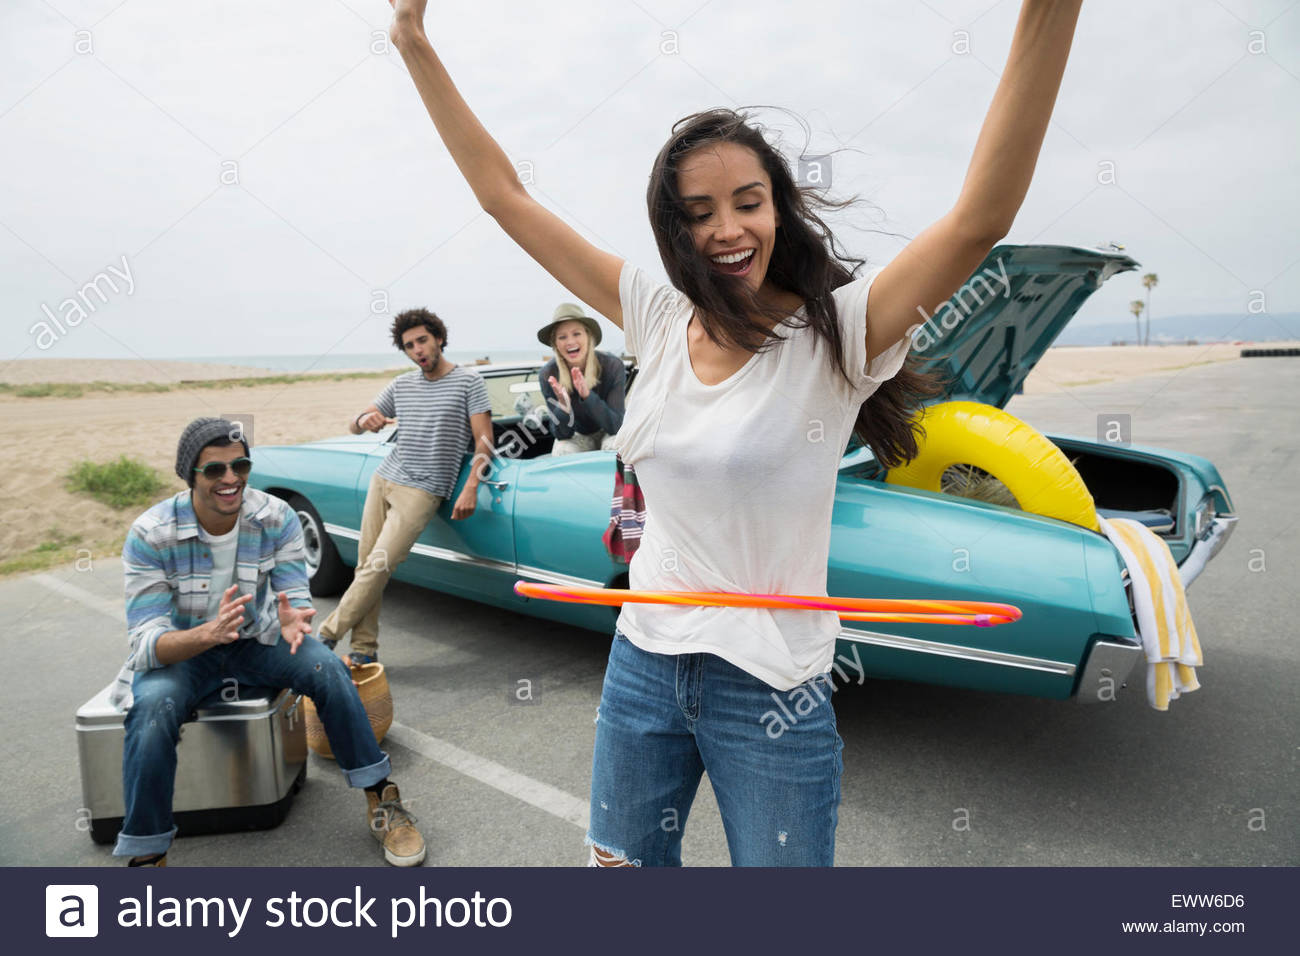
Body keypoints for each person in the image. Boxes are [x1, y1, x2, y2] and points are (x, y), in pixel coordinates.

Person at [386, 0, 1083, 865]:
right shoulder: (653, 312)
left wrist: (1050, 13)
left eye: (748, 202)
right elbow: (504, 197)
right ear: (675, 232)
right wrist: (413, 42)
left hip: (770, 684)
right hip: (644, 656)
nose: (726, 228)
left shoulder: (841, 334)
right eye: (699, 212)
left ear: (779, 211)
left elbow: (979, 218)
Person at [112, 417, 426, 867]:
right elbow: (145, 644)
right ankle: (148, 853)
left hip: (255, 639)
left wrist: (293, 617)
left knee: (328, 669)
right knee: (151, 710)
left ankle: (383, 799)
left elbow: (293, 593)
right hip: (185, 651)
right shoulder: (151, 532)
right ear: (190, 476)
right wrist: (208, 634)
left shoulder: (274, 515)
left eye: (239, 466)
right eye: (214, 470)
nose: (230, 479)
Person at [317, 308, 493, 665]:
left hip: (423, 490)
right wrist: (364, 419)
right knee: (367, 566)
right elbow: (355, 423)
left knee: (378, 566)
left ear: (439, 338)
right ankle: (364, 651)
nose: (418, 350)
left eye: (423, 340)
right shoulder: (402, 384)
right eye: (410, 345)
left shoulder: (468, 382)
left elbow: (485, 442)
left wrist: (472, 484)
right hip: (384, 479)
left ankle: (324, 636)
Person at [536, 302, 625, 454]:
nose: (570, 342)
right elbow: (562, 434)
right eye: (562, 337)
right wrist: (564, 407)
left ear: (588, 336)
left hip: (607, 432)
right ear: (555, 344)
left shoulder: (612, 366)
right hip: (579, 435)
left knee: (616, 446)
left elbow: (616, 426)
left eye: (576, 334)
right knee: (562, 450)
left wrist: (588, 396)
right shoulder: (548, 374)